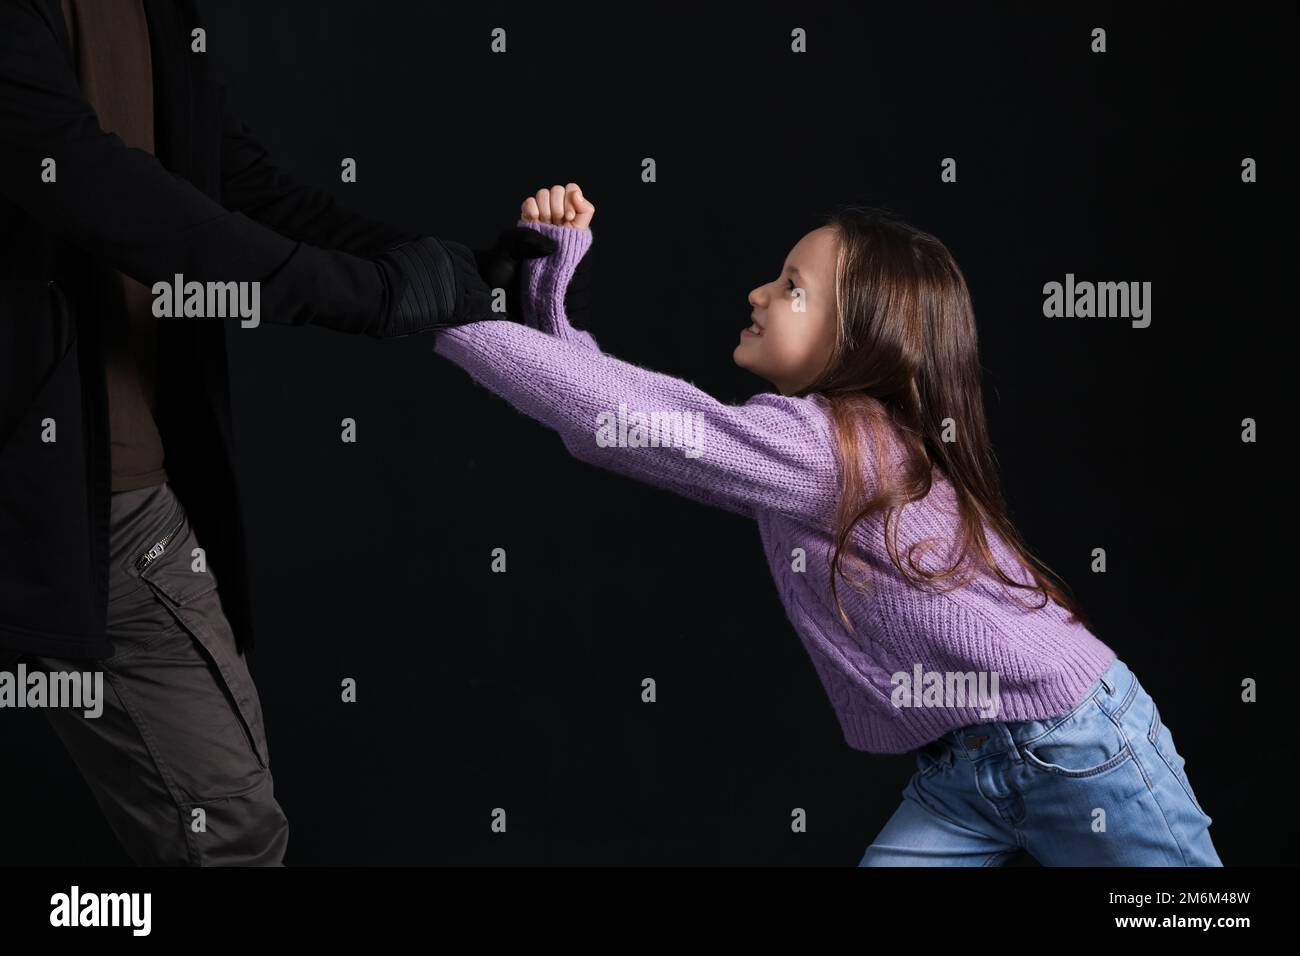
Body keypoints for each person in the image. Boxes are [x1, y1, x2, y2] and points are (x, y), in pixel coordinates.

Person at [431, 183, 1222, 866]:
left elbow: (637, 418)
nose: (759, 293)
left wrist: (452, 316)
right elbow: (619, 430)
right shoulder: (817, 448)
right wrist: (543, 288)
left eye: (792, 287)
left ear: (861, 335)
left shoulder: (827, 451)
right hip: (961, 768)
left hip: (1074, 744)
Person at [0, 0, 534, 865]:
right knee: (230, 842)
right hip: (63, 491)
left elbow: (234, 183)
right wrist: (376, 297)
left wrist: (447, 272)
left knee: (228, 831)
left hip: (106, 497)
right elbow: (95, 184)